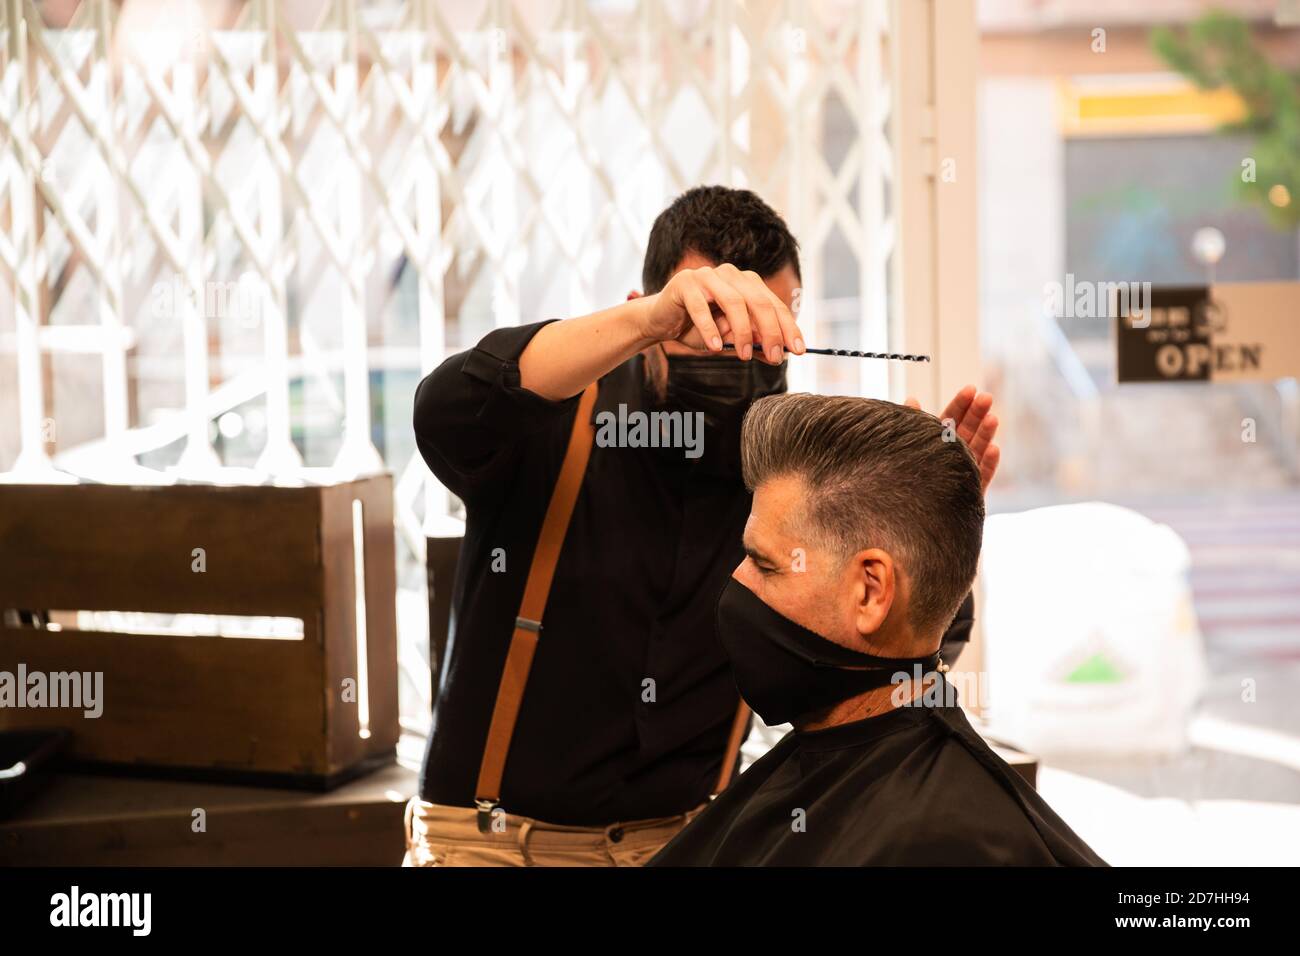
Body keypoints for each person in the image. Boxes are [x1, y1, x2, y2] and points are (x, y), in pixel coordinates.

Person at [405, 186, 1001, 866]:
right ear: (648, 312)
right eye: (710, 330)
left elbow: (878, 663)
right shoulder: (554, 423)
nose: (739, 362)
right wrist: (650, 323)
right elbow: (448, 407)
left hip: (692, 841)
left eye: (761, 337)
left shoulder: (785, 481)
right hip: (495, 844)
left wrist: (930, 537)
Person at [649, 393, 1104, 866]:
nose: (738, 582)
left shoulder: (942, 842)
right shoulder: (842, 747)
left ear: (869, 591)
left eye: (765, 565)